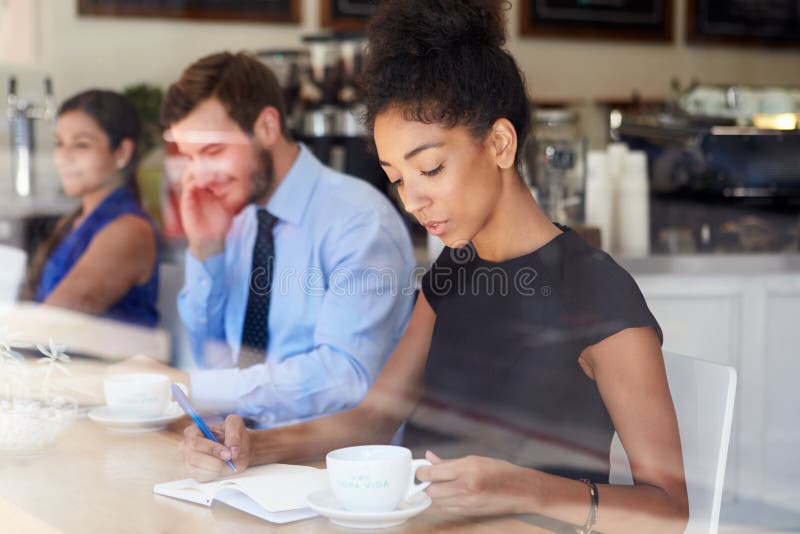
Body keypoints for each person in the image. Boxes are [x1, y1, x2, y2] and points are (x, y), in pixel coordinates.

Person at [178, 2, 689, 532]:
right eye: (397, 178)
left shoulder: (596, 291)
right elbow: (374, 417)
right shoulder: (453, 272)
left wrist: (524, 488)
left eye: (430, 168)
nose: (412, 201)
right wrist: (251, 446)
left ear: (499, 143)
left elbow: (669, 510)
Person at [120, 51, 415, 429]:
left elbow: (344, 378)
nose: (201, 175)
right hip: (243, 452)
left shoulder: (358, 221)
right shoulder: (236, 217)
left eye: (213, 151)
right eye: (191, 158)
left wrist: (193, 386)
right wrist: (207, 248)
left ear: (266, 127)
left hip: (327, 466)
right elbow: (214, 359)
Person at [22, 89, 159, 327]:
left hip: (102, 363)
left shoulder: (129, 231)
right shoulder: (72, 222)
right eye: (59, 144)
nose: (63, 157)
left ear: (122, 152)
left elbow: (54, 323)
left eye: (81, 145)